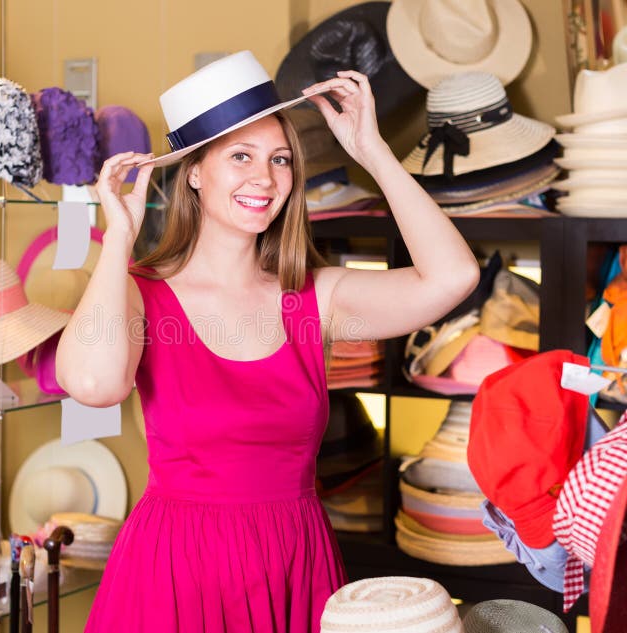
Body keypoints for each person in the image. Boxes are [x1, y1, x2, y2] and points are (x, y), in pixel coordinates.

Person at [56, 51, 479, 632]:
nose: (265, 177)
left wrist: (373, 154)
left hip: (293, 562)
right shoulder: (139, 295)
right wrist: (118, 240)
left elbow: (452, 278)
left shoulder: (314, 298)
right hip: (175, 571)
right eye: (241, 156)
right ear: (195, 173)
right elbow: (94, 385)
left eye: (280, 159)